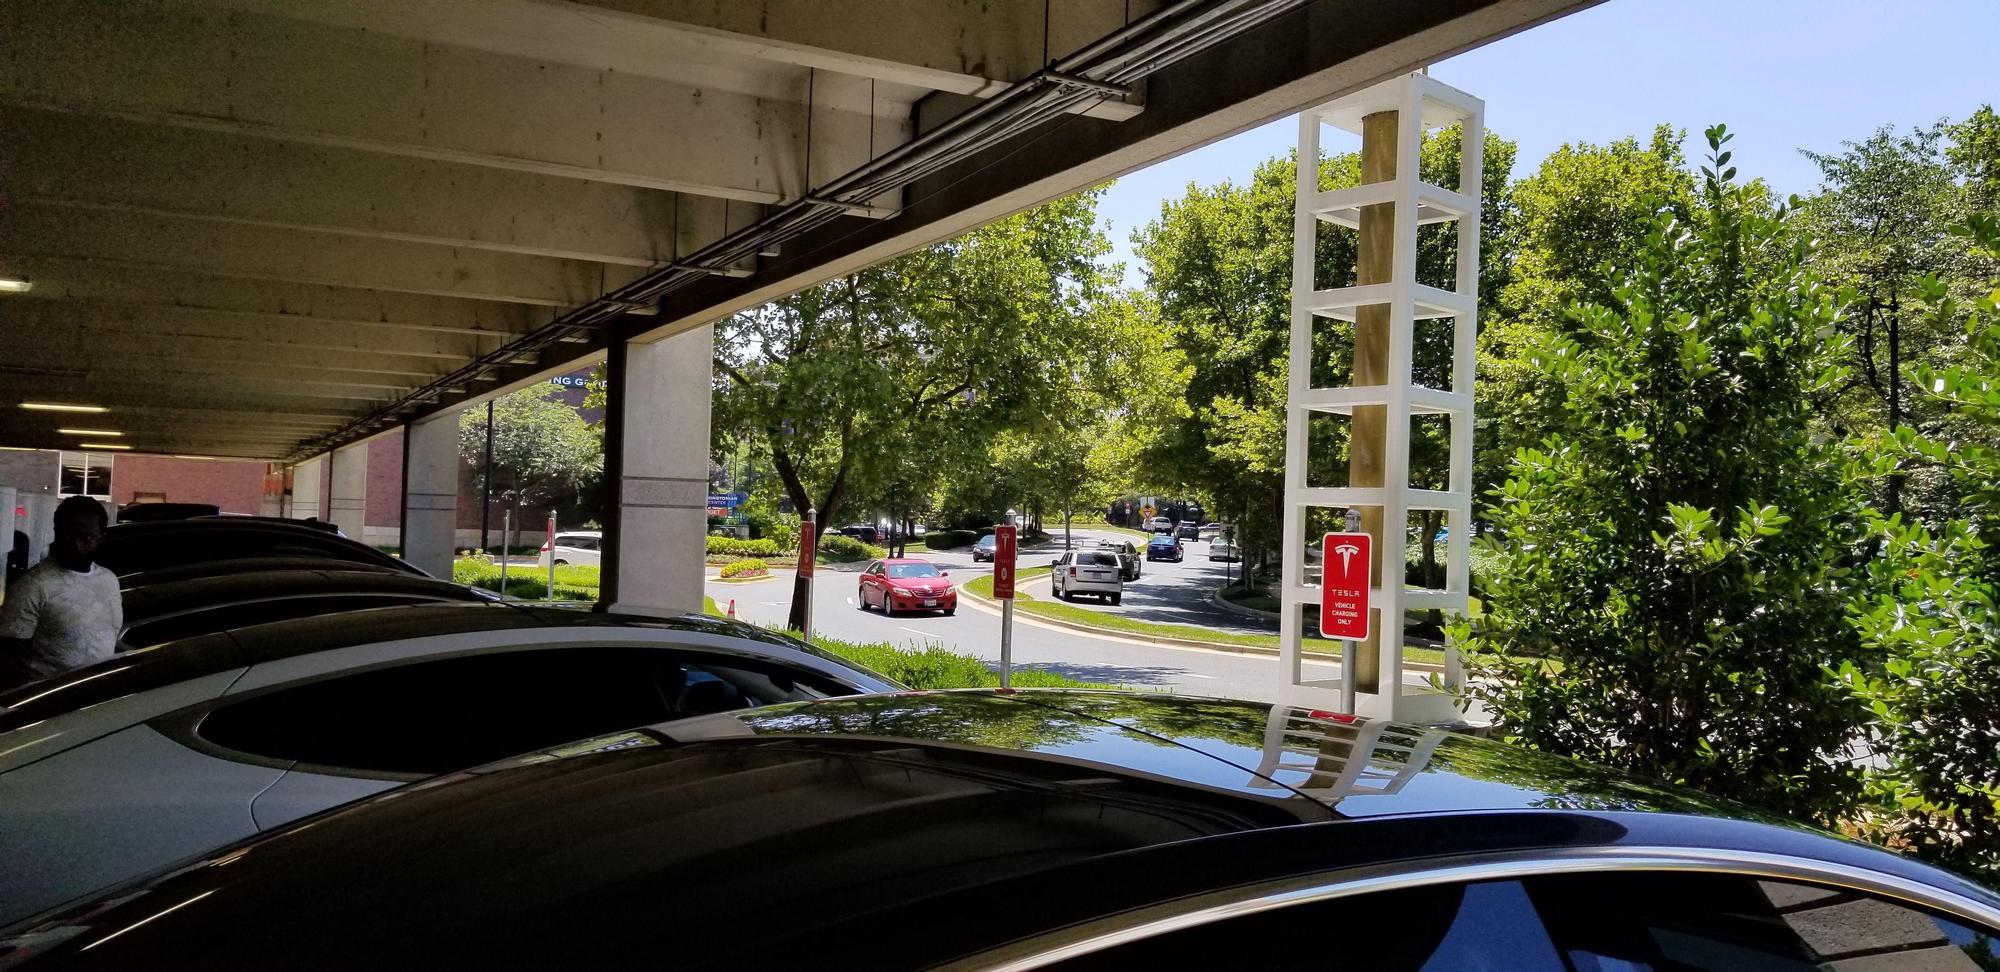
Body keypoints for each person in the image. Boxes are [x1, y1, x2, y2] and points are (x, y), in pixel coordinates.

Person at [0, 497, 122, 690]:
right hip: (51, 704)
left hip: (98, 698)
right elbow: (9, 658)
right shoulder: (32, 587)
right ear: (56, 532)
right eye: (67, 535)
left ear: (101, 537)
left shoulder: (109, 581)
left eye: (85, 537)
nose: (74, 544)